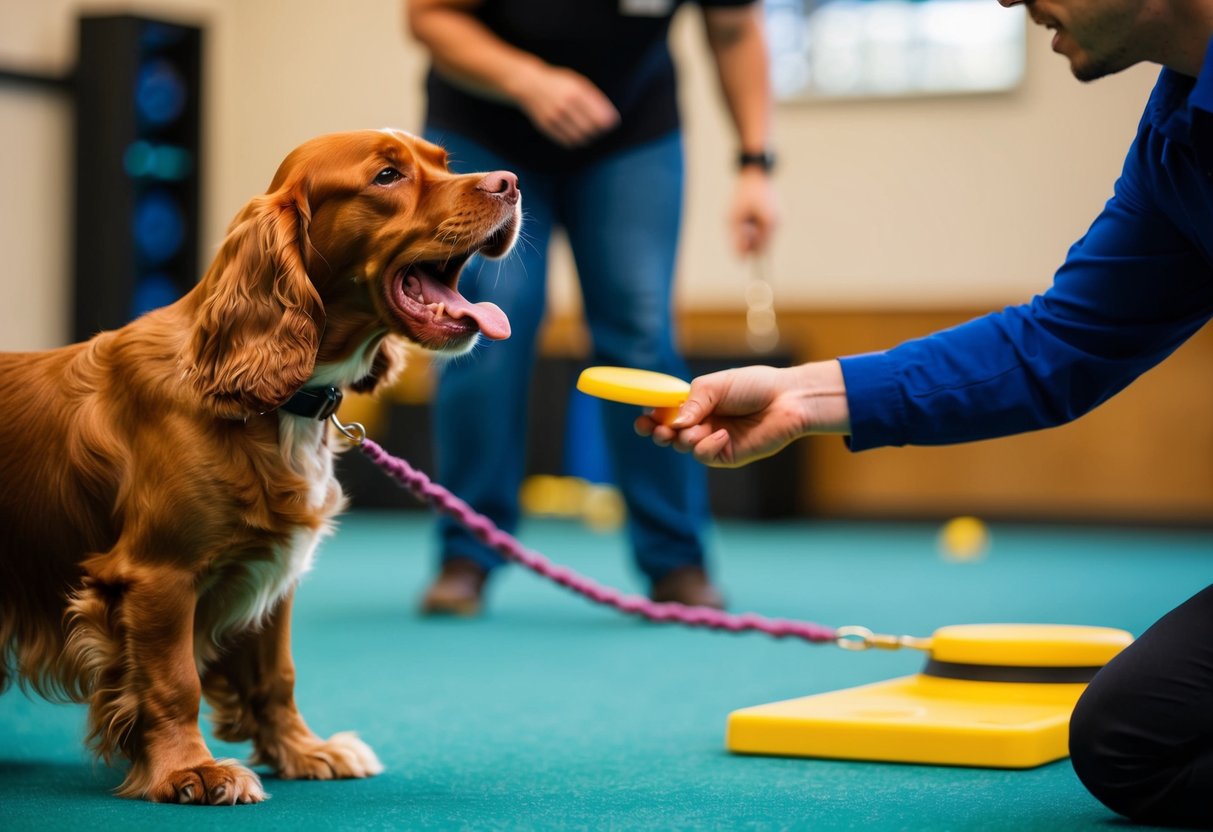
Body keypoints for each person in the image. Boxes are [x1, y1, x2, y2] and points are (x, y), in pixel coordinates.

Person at [637, 0, 1213, 825]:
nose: (1005, 0)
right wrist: (801, 396)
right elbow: (1058, 343)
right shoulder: (1178, 129)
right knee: (1132, 746)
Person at [405, 0, 779, 615]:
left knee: (640, 330)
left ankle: (676, 559)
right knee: (484, 329)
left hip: (630, 133)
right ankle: (466, 553)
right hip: (487, 124)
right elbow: (430, 16)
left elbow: (735, 29)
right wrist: (528, 79)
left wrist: (755, 165)